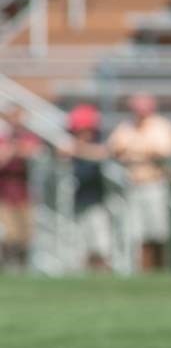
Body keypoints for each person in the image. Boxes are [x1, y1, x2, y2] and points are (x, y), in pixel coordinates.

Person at [107, 92, 171, 272]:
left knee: (157, 233)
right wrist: (138, 152)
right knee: (135, 232)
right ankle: (140, 271)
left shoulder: (162, 126)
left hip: (154, 185)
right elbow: (115, 149)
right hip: (132, 186)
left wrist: (136, 152)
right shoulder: (126, 126)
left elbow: (163, 152)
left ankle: (158, 271)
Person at [64, 104, 112, 271]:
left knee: (100, 244)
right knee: (79, 246)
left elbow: (103, 153)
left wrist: (77, 149)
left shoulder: (98, 142)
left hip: (97, 201)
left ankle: (102, 271)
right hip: (77, 202)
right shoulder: (70, 143)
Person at [0, 106, 42, 271]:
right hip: (4, 194)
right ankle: (7, 267)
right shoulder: (4, 139)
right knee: (10, 235)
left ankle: (22, 269)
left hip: (25, 195)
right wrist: (13, 149)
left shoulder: (29, 138)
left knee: (26, 236)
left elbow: (34, 153)